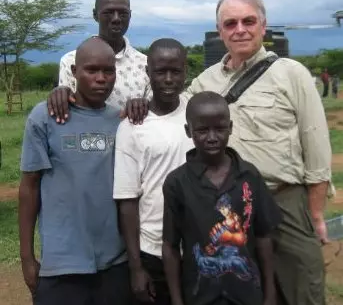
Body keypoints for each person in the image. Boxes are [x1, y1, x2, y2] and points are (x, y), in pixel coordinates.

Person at [125, 0, 332, 305]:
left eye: (248, 21)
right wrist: (138, 102)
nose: (240, 30)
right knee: (238, 290)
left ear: (263, 26)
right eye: (230, 24)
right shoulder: (206, 81)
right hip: (226, 208)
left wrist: (315, 214)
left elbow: (317, 148)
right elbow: (172, 103)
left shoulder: (292, 74)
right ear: (220, 31)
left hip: (283, 202)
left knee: (301, 288)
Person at [19, 37, 131, 305]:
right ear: (74, 72)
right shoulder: (45, 117)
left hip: (114, 263)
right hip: (61, 265)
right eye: (91, 70)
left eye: (108, 71)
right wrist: (26, 257)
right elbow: (29, 187)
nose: (101, 79)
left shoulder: (120, 122)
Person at [162, 91, 282, 305]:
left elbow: (264, 236)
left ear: (231, 128)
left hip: (246, 294)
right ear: (188, 131)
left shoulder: (249, 176)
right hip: (200, 295)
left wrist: (270, 292)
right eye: (202, 130)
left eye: (219, 129)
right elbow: (170, 245)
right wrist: (177, 301)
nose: (211, 137)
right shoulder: (177, 183)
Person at [113, 38, 193, 305]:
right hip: (153, 251)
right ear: (148, 72)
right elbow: (127, 201)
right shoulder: (132, 126)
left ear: (186, 71)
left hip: (200, 247)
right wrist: (136, 267)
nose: (168, 79)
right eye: (160, 71)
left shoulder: (198, 113)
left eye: (176, 71)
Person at [48, 0, 150, 123]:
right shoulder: (71, 60)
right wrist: (60, 93)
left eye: (123, 13)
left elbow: (154, 115)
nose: (116, 19)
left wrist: (143, 105)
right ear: (95, 15)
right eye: (108, 12)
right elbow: (67, 108)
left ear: (130, 15)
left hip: (131, 142)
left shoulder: (145, 64)